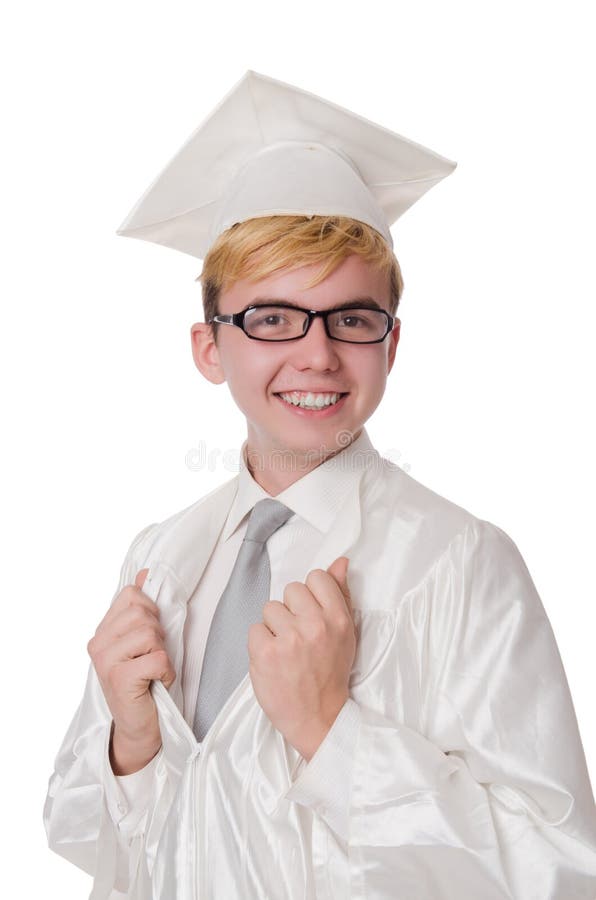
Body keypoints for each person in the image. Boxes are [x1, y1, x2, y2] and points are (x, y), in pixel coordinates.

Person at [44, 70, 596, 899]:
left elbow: (559, 871)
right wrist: (130, 745)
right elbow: (92, 844)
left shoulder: (458, 565)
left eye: (352, 318)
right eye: (271, 317)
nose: (317, 354)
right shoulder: (159, 559)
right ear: (208, 347)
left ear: (392, 345)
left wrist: (332, 735)